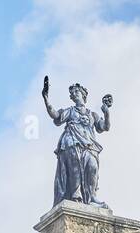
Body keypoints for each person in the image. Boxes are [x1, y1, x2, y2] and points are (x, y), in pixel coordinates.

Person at [42, 78, 113, 207]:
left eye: (76, 92)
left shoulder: (92, 114)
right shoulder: (70, 111)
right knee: (75, 166)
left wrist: (106, 112)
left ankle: (91, 196)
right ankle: (76, 194)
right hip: (72, 141)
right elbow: (55, 115)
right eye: (72, 93)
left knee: (92, 167)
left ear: (83, 95)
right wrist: (46, 99)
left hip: (90, 145)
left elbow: (105, 127)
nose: (74, 94)